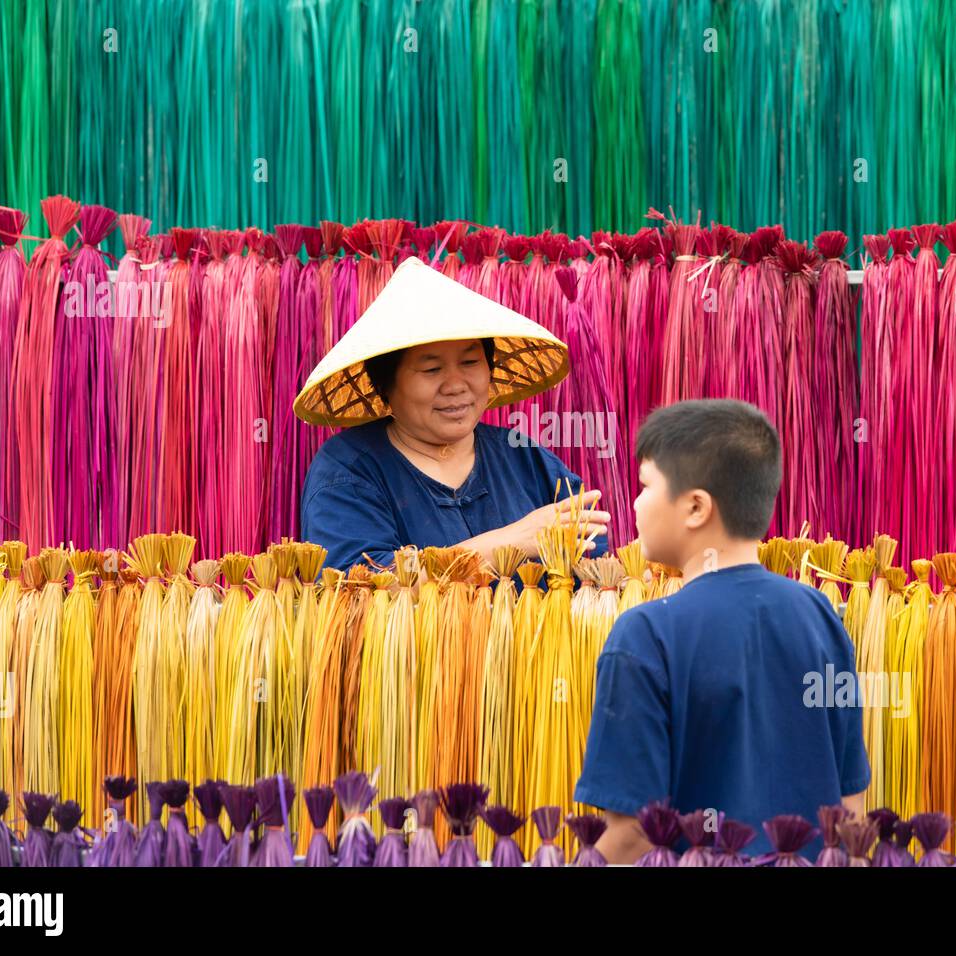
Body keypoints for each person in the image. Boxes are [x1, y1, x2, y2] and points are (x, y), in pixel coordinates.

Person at [574, 399, 869, 863]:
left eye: (645, 485)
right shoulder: (821, 617)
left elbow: (632, 835)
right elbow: (850, 810)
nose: (634, 501)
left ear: (695, 507)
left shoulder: (646, 635)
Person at [294, 256, 608, 570]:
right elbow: (356, 586)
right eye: (432, 369)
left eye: (470, 362)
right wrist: (508, 543)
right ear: (385, 385)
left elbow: (594, 556)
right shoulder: (347, 472)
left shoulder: (525, 458)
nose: (456, 385)